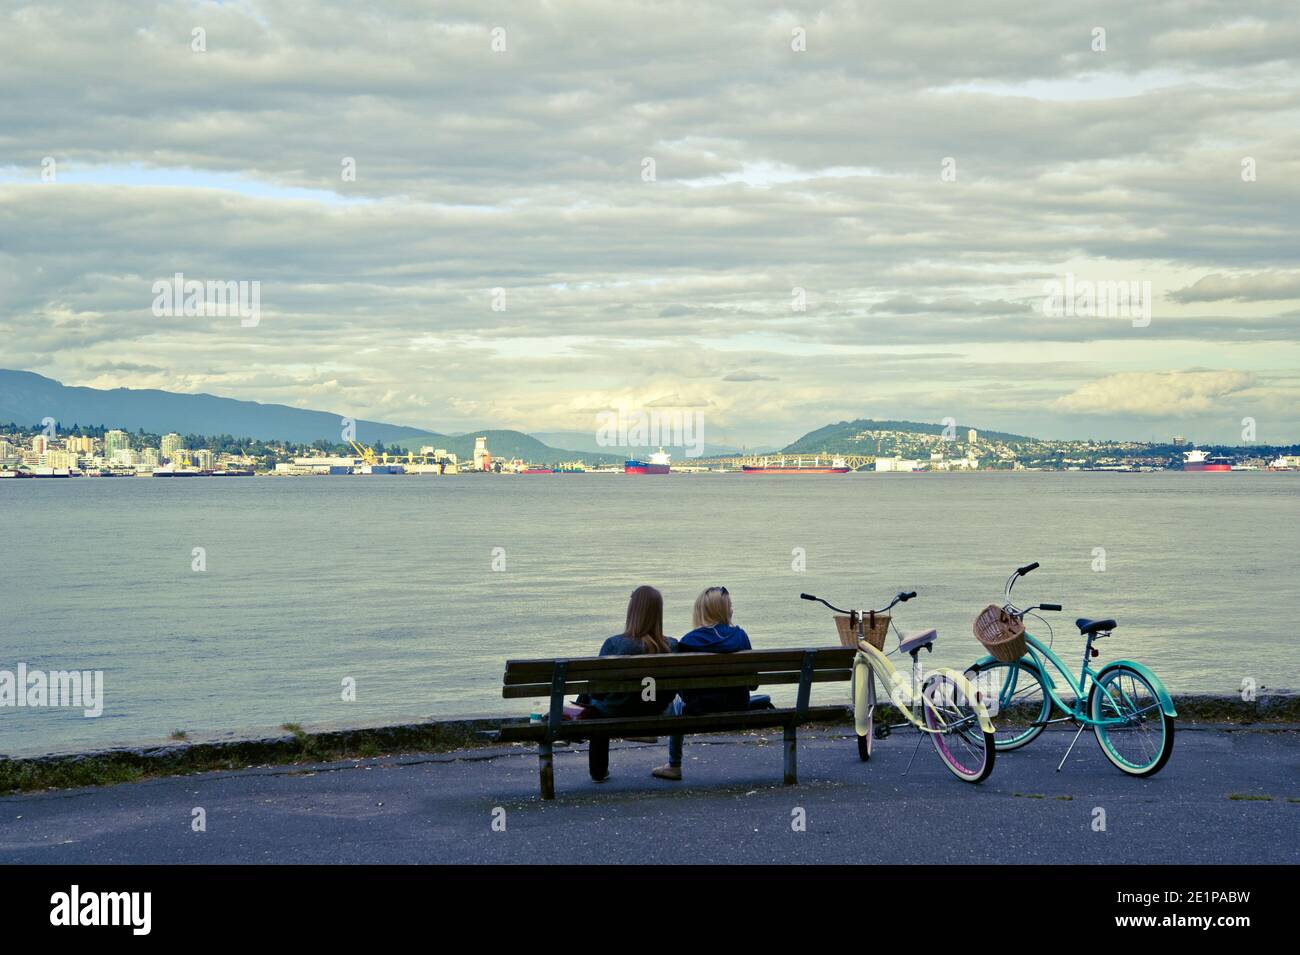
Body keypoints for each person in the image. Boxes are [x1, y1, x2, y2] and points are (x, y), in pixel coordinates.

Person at [577, 585, 676, 782]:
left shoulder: (614, 644)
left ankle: (598, 770)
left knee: (595, 704)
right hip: (657, 710)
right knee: (597, 702)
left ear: (632, 611)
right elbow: (673, 691)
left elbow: (596, 691)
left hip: (617, 711)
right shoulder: (673, 646)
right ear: (659, 612)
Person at [653, 586, 752, 781]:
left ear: (701, 610)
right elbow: (753, 684)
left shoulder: (689, 641)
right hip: (738, 706)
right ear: (724, 610)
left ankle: (674, 765)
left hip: (699, 709)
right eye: (730, 606)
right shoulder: (741, 637)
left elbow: (679, 685)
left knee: (674, 703)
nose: (732, 610)